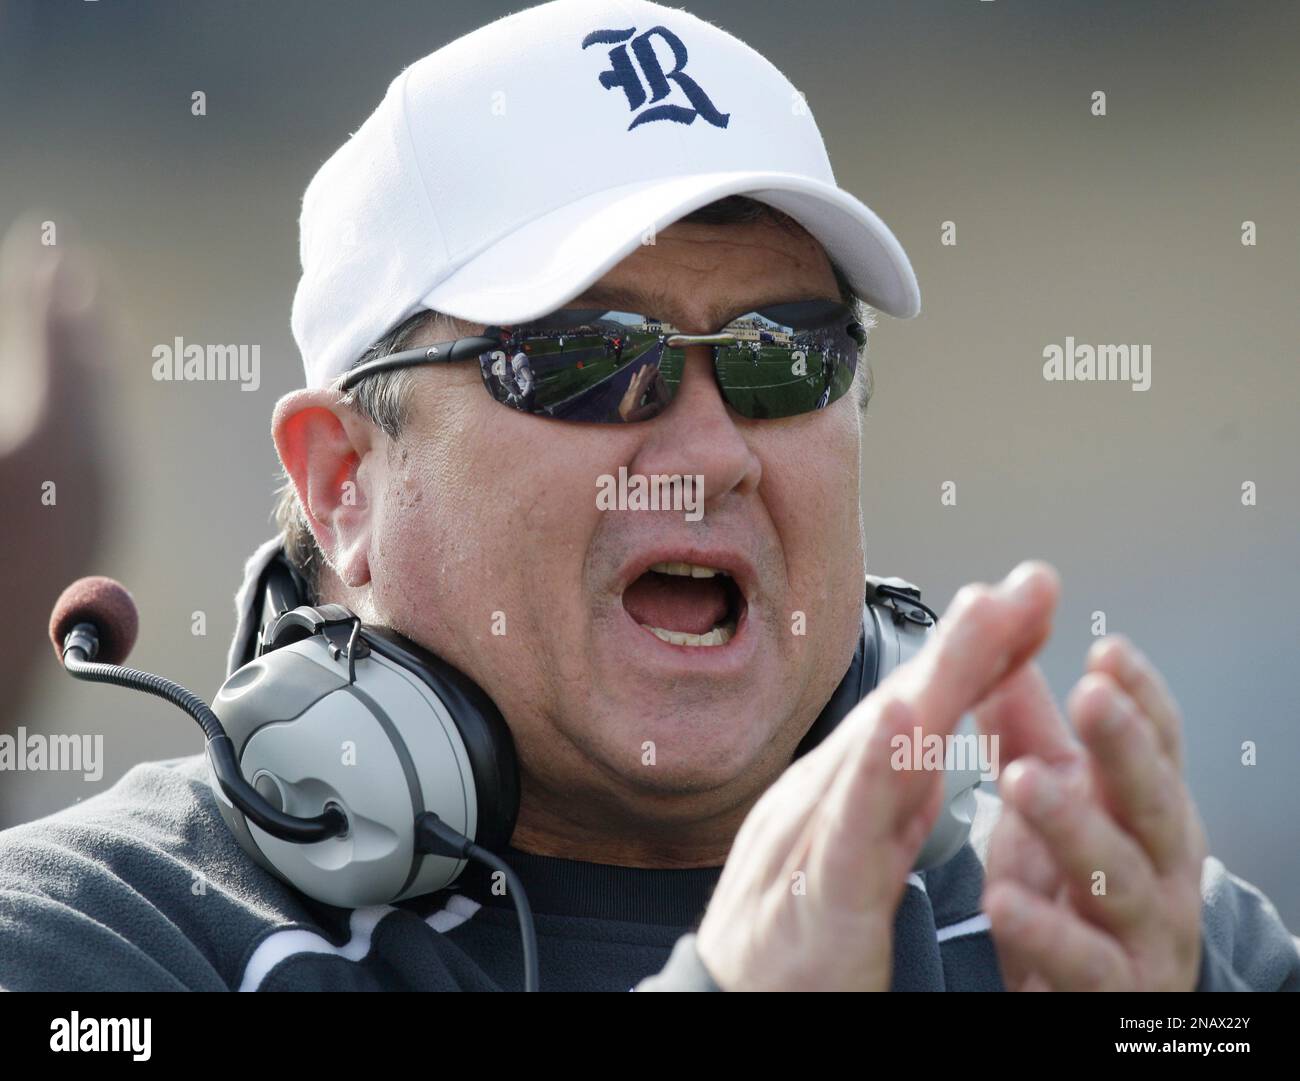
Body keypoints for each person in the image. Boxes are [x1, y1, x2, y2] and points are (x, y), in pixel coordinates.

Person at [1, 0, 1296, 993]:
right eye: (589, 359)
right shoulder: (89, 940)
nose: (711, 448)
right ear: (345, 482)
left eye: (783, 357)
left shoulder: (1128, 931)